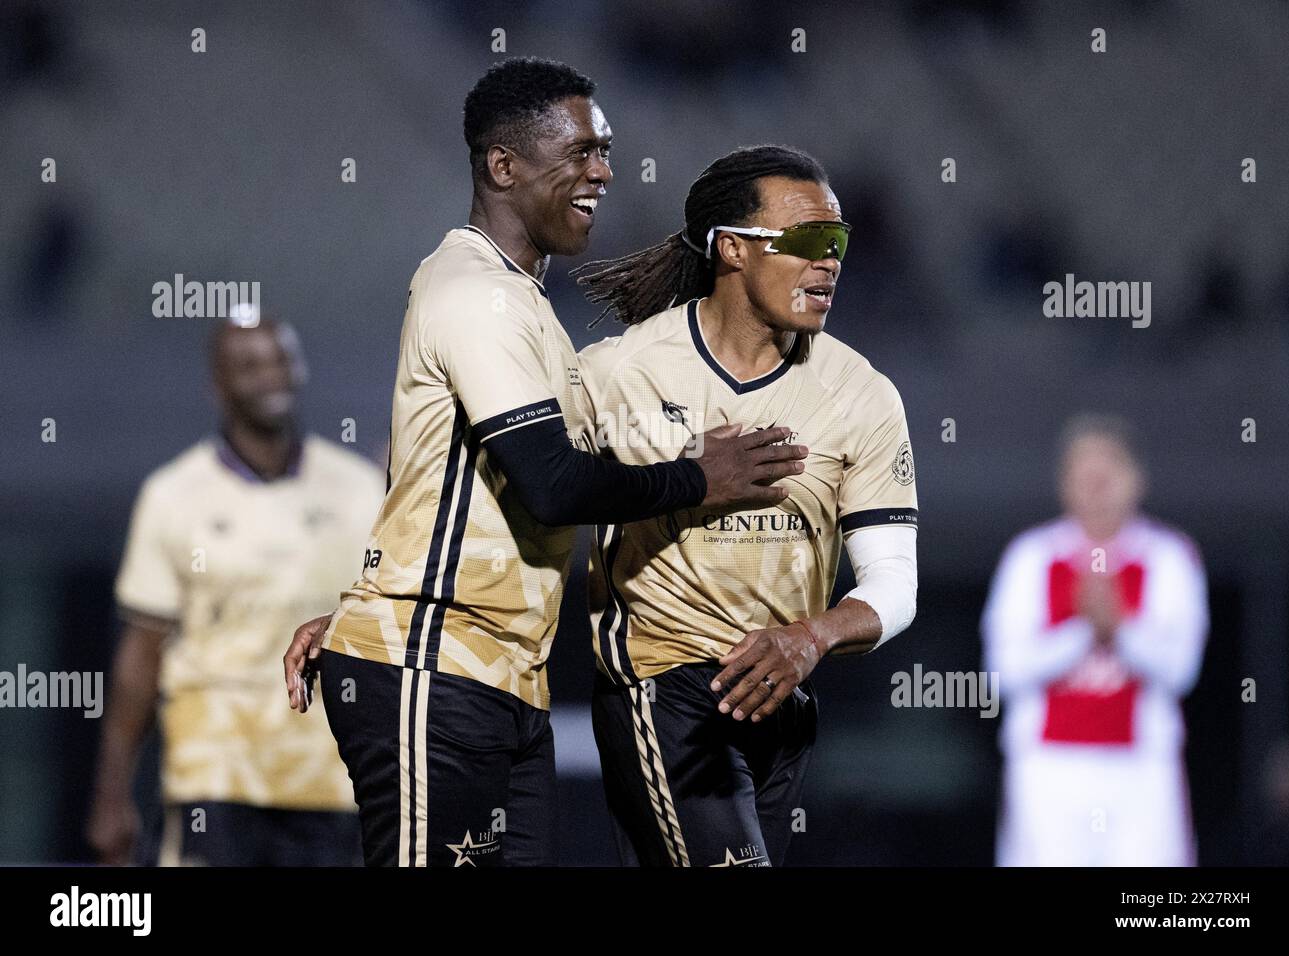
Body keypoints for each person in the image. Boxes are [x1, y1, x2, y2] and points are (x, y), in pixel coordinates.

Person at [284, 58, 808, 867]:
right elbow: (553, 484)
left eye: (606, 150)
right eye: (582, 152)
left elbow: (434, 479)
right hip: (436, 665)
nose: (603, 171)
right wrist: (703, 477)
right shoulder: (474, 293)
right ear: (504, 166)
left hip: (495, 676)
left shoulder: (523, 304)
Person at [570, 144, 919, 866]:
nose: (830, 262)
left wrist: (812, 638)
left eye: (839, 241)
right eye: (807, 240)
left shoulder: (862, 393)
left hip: (780, 695)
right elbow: (510, 496)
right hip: (662, 684)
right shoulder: (615, 374)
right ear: (730, 249)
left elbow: (896, 585)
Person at [87, 314, 384, 866]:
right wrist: (112, 793)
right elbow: (142, 652)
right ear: (216, 385)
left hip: (333, 775)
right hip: (215, 774)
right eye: (249, 365)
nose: (271, 375)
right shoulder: (173, 495)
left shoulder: (361, 488)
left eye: (280, 359)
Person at [981, 414, 1208, 866]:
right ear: (1065, 484)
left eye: (1110, 474)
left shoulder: (1168, 557)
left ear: (1136, 479)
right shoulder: (1031, 556)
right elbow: (1002, 673)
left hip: (1142, 768)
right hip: (1049, 769)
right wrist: (1083, 631)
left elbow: (1180, 669)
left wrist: (1119, 630)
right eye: (1086, 476)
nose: (1098, 487)